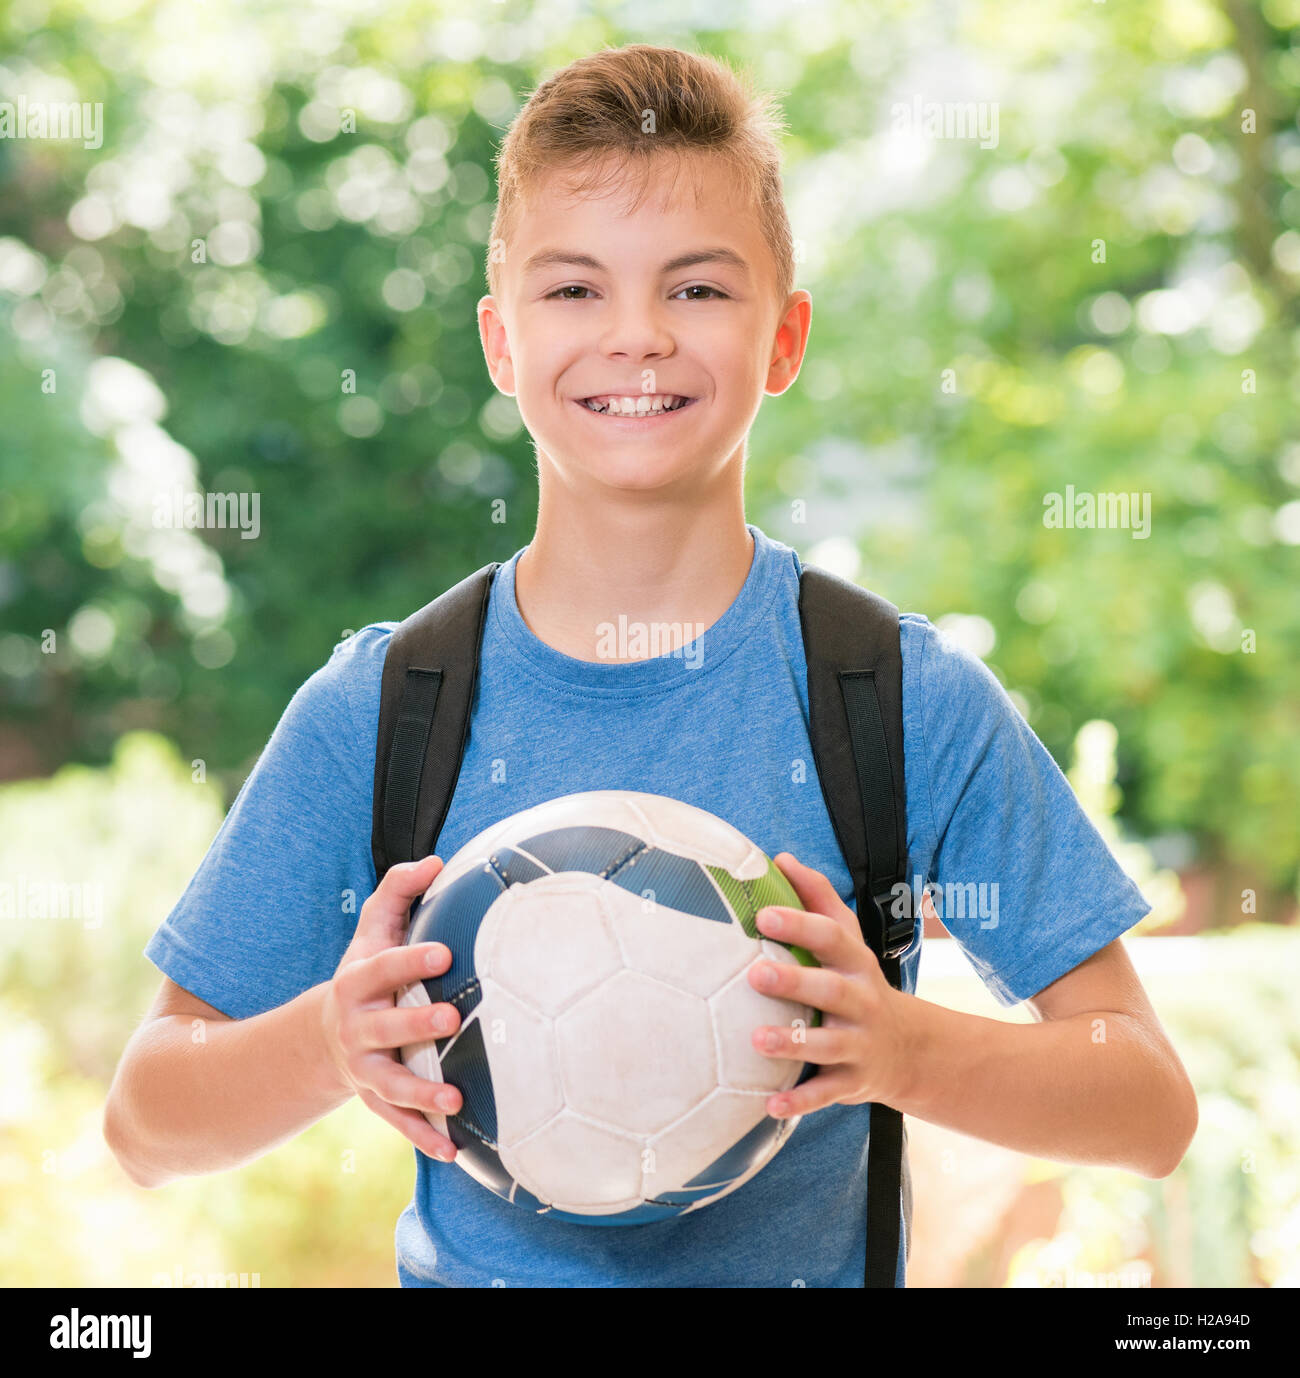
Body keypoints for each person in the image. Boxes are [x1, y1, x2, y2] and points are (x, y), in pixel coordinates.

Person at [104, 43, 1197, 1287]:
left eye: (696, 290)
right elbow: (145, 1124)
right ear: (500, 343)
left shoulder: (892, 697)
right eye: (573, 291)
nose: (636, 339)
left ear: (782, 338)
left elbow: (1149, 1108)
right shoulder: (386, 709)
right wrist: (330, 1041)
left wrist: (896, 1049)